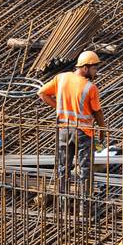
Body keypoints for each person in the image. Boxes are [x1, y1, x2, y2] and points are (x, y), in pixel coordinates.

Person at [38, 50, 106, 192]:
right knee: (85, 170)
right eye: (94, 68)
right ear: (85, 68)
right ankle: (84, 207)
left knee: (63, 167)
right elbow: (97, 112)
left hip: (63, 130)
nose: (96, 72)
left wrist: (57, 106)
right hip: (83, 133)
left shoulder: (61, 78)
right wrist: (102, 129)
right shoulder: (90, 87)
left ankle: (63, 203)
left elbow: (42, 93)